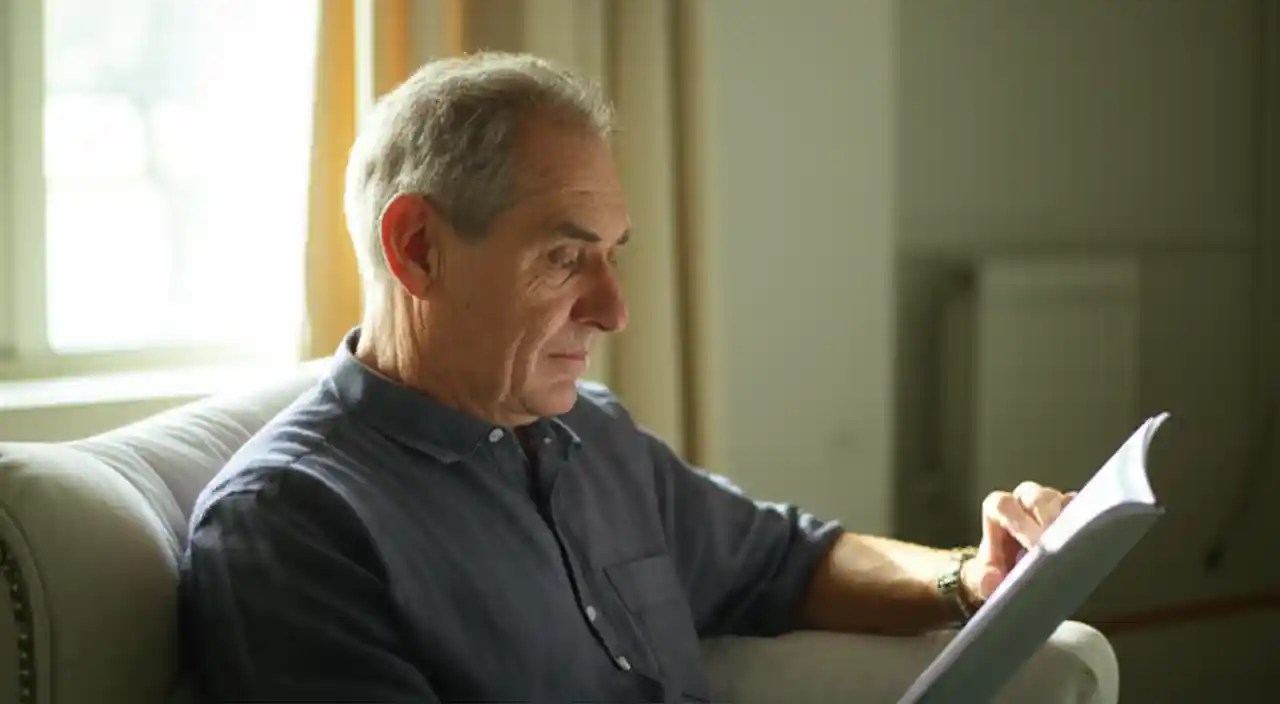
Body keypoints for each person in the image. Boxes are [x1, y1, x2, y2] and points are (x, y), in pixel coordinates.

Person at [180, 52, 1075, 703]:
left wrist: (969, 577)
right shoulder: (291, 525)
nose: (615, 311)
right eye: (567, 258)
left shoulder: (589, 434)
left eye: (613, 257)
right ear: (418, 248)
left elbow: (784, 561)